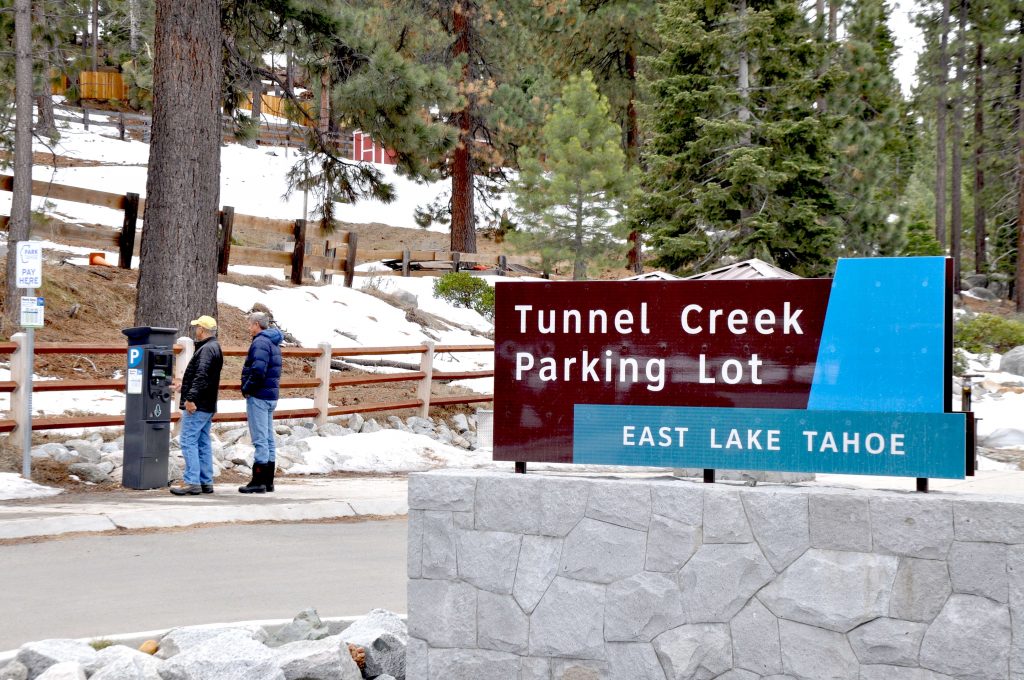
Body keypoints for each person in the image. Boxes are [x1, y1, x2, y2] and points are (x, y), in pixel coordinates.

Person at [170, 315, 223, 496]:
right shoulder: (214, 347)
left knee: (188, 440)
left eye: (197, 327)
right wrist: (184, 386)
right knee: (202, 442)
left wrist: (190, 398)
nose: (196, 331)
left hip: (198, 404)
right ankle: (205, 481)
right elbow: (203, 376)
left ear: (202, 329)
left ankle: (192, 481)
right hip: (208, 404)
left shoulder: (206, 349)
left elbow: (201, 376)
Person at [239, 311, 283, 493]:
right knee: (268, 438)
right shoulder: (273, 342)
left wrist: (247, 388)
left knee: (260, 439)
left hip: (259, 395)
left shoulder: (260, 343)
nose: (249, 328)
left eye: (250, 324)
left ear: (257, 324)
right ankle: (268, 480)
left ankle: (258, 480)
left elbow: (258, 369)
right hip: (271, 395)